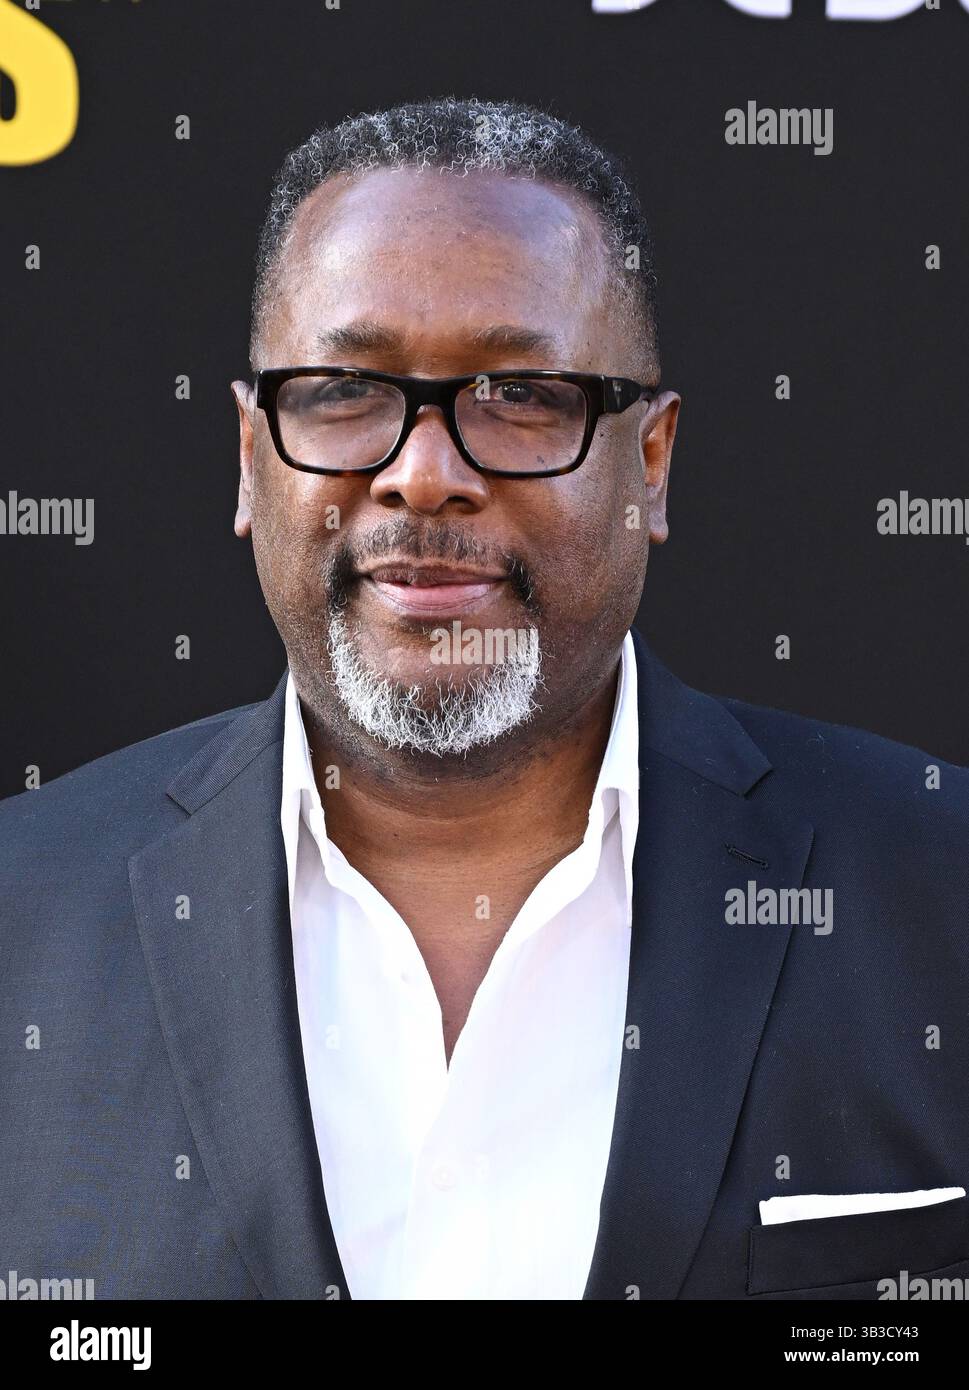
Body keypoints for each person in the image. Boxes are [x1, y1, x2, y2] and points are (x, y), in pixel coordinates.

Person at [2, 97, 968, 1302]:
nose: (424, 473)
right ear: (251, 456)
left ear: (651, 465)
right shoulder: (19, 918)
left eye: (521, 395)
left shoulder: (941, 891)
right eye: (343, 389)